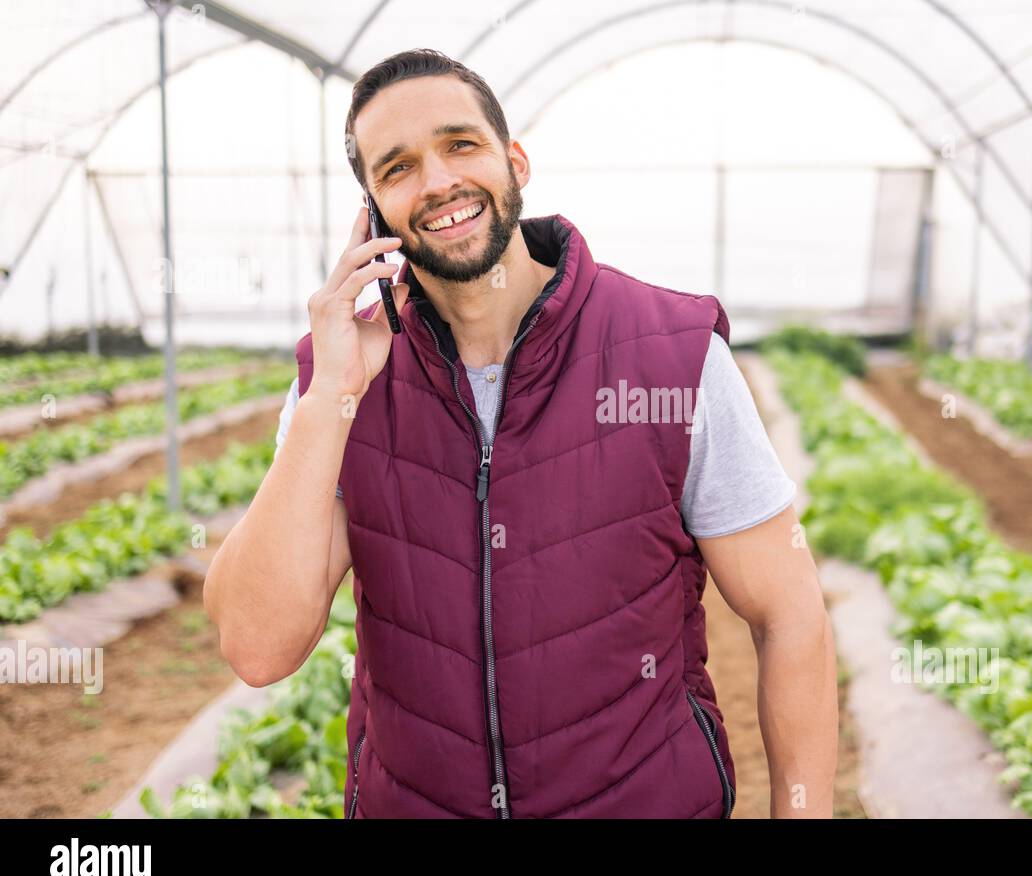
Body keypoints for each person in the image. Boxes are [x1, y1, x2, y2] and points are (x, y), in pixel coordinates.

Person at [204, 48, 836, 819]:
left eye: (460, 145)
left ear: (516, 161)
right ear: (370, 212)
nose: (438, 182)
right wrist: (331, 394)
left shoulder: (671, 354)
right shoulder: (340, 387)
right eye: (398, 168)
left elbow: (789, 612)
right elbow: (257, 647)